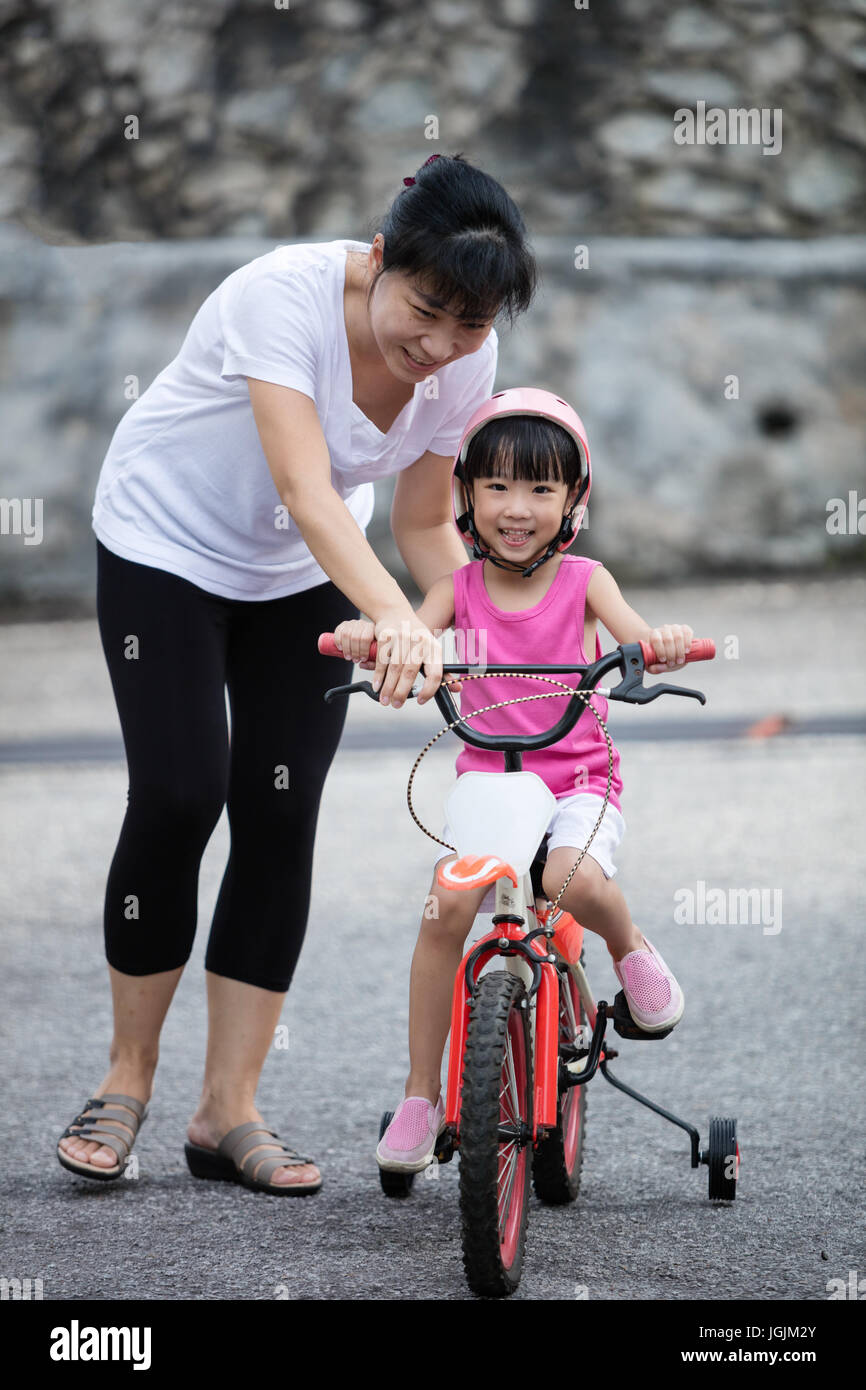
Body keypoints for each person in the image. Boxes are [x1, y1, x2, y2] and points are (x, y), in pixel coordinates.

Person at [56, 154, 539, 1193]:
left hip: (299, 574)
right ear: (378, 259)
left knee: (278, 813)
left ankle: (225, 1110)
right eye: (427, 309)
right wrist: (390, 620)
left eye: (469, 325)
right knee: (181, 792)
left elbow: (419, 519)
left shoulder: (465, 358)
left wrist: (481, 633)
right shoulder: (280, 296)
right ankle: (125, 1080)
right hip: (166, 547)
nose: (441, 343)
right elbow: (305, 484)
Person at [332, 388, 694, 1173]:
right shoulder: (454, 593)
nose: (516, 508)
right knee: (448, 905)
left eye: (539, 488)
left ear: (574, 499)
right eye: (496, 486)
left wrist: (658, 644)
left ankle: (629, 947)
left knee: (568, 876)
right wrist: (375, 639)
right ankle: (422, 1095)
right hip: (493, 779)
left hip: (577, 784)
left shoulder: (586, 581)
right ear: (466, 496)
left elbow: (635, 638)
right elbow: (406, 639)